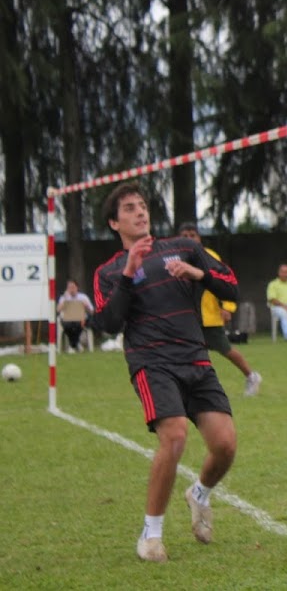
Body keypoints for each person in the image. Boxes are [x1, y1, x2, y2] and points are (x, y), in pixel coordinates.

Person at [91, 181, 240, 563]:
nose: (140, 212)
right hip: (152, 363)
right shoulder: (108, 272)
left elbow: (231, 289)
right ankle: (151, 534)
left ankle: (200, 494)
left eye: (142, 205)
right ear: (114, 223)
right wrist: (128, 273)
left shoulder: (185, 248)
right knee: (173, 437)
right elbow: (107, 322)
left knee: (224, 446)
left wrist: (197, 274)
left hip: (196, 359)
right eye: (129, 208)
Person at [178, 223, 263, 396]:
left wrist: (228, 307)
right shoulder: (174, 258)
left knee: (226, 349)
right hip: (186, 317)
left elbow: (225, 281)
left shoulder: (209, 256)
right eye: (185, 236)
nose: (188, 239)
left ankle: (251, 375)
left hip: (208, 316)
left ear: (199, 238)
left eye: (192, 235)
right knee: (184, 352)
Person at [57, 279, 94, 352]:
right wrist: (65, 300)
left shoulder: (83, 297)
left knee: (78, 325)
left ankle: (72, 345)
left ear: (77, 287)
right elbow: (58, 310)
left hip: (81, 319)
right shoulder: (64, 298)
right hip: (67, 320)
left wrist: (86, 306)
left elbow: (91, 311)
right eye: (69, 287)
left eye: (73, 287)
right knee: (67, 326)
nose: (71, 289)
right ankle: (75, 344)